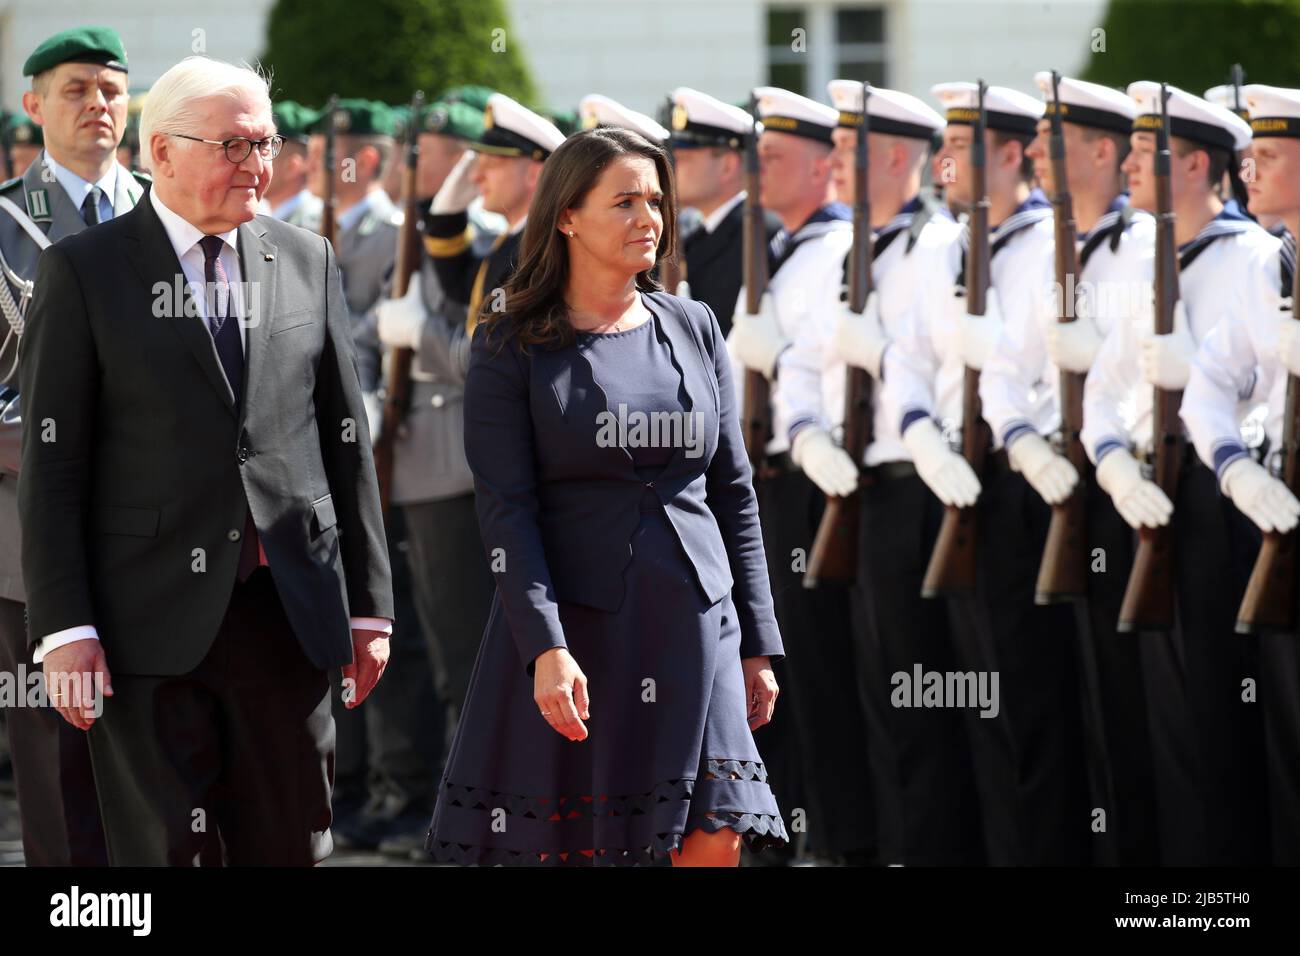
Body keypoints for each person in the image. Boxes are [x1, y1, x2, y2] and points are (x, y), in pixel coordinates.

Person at [17, 55, 394, 865]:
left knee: (290, 844)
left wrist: (369, 605)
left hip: (286, 617)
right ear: (162, 152)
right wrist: (64, 628)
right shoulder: (84, 270)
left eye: (265, 144)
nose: (257, 165)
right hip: (144, 629)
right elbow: (54, 467)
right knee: (162, 856)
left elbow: (344, 439)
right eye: (232, 146)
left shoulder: (306, 257)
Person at [424, 125, 789, 866]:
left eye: (656, 201)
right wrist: (546, 649)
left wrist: (760, 642)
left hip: (698, 621)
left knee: (713, 836)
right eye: (624, 202)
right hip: (579, 625)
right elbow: (506, 510)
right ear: (565, 215)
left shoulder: (693, 325)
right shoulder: (510, 341)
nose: (648, 219)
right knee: (586, 842)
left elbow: (734, 492)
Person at [775, 79, 984, 865]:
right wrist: (807, 437)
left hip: (916, 484)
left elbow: (949, 369)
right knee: (869, 689)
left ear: (896, 157)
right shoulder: (851, 250)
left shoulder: (938, 247)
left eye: (848, 149)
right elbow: (803, 365)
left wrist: (884, 359)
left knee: (920, 692)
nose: (832, 162)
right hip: (850, 483)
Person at [1083, 81, 1273, 865]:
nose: (1128, 162)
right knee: (1162, 720)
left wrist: (1199, 378)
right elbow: (1103, 391)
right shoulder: (1138, 254)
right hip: (1152, 501)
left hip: (1226, 501)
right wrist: (1114, 466)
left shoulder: (1255, 259)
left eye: (1145, 150)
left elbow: (1270, 396)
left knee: (1223, 722)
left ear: (1195, 164)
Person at [986, 71, 1160, 865]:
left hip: (1118, 489)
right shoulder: (1042, 247)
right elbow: (1003, 366)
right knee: (1044, 692)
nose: (1041, 157)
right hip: (1043, 490)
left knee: (1123, 700)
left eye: (1058, 141)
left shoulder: (1143, 247)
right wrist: (1020, 436)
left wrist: (1107, 361)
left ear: (1102, 149)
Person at [0, 25, 148, 868]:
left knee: (159, 744)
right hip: (31, 528)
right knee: (58, 754)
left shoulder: (165, 208)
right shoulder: (8, 223)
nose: (97, 104)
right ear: (35, 106)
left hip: (159, 530)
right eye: (75, 89)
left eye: (110, 90)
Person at [725, 86, 876, 864]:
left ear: (825, 167)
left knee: (826, 672)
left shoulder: (838, 249)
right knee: (780, 672)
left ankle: (840, 835)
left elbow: (826, 366)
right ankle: (785, 831)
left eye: (775, 157)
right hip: (769, 483)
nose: (757, 169)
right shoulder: (777, 248)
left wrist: (773, 358)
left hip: (822, 482)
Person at [1183, 82, 1300, 865]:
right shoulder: (1275, 271)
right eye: (1248, 157)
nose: (1247, 173)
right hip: (1283, 513)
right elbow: (1207, 388)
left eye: (1268, 158)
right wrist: (1235, 471)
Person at [668, 86, 767, 336]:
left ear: (727, 166)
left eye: (684, 159)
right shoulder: (708, 234)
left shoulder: (755, 233)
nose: (672, 169)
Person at [260, 100, 322, 231]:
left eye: (265, 153)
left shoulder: (313, 227)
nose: (254, 163)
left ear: (292, 167)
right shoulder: (262, 214)